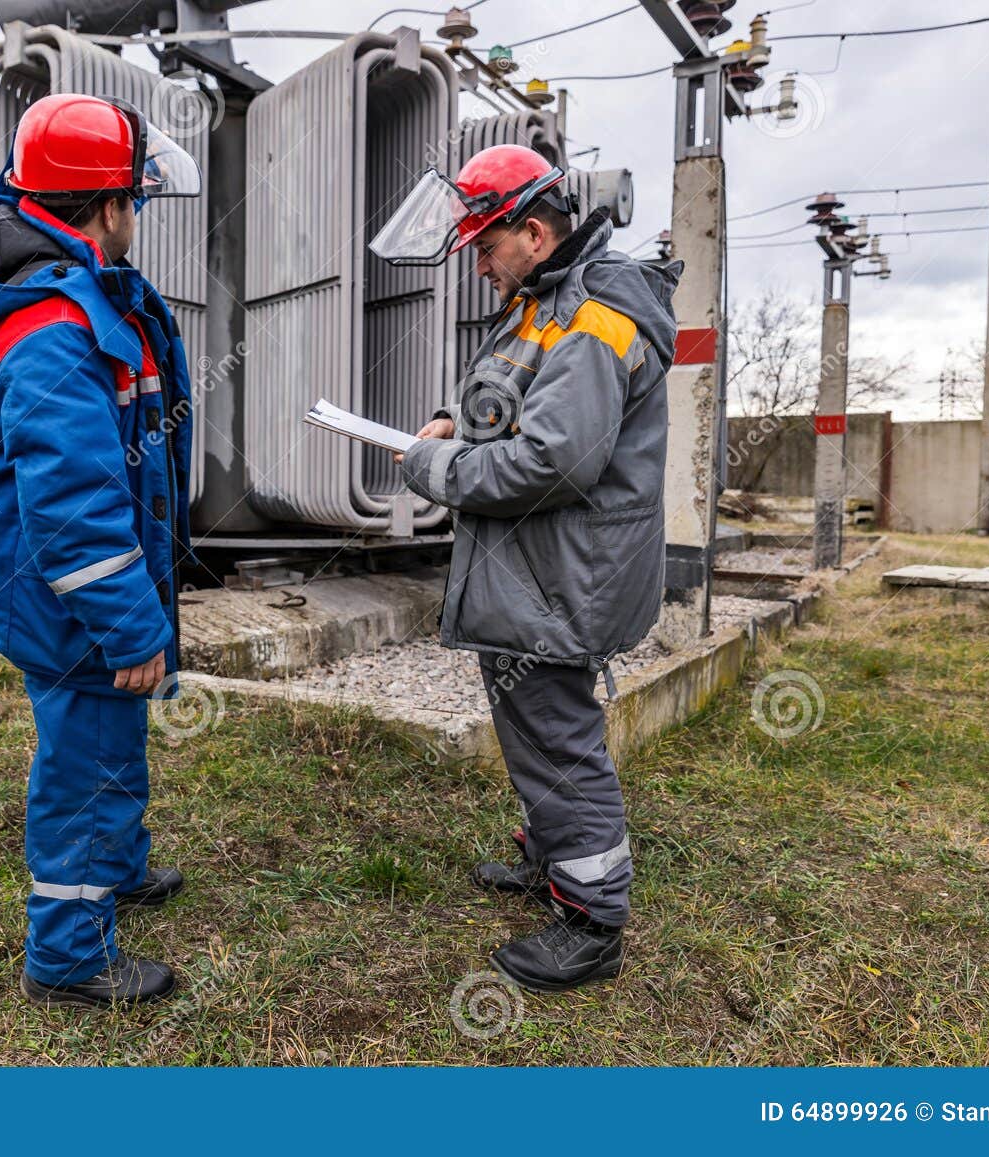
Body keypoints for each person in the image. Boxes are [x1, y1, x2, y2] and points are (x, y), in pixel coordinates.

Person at [372, 144, 682, 992]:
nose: (477, 263)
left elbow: (554, 460)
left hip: (562, 572)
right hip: (539, 568)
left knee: (557, 736)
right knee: (531, 726)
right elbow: (519, 402)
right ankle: (553, 856)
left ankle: (592, 918)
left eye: (484, 245)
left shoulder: (596, 312)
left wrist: (434, 470)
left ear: (536, 235)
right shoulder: (551, 299)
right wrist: (453, 421)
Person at [0, 93, 202, 1007]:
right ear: (107, 204)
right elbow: (75, 508)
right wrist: (128, 625)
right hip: (73, 602)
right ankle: (72, 956)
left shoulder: (58, 295)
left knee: (110, 741)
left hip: (67, 596)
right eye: (135, 199)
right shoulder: (51, 326)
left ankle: (117, 872)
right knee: (83, 767)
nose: (137, 216)